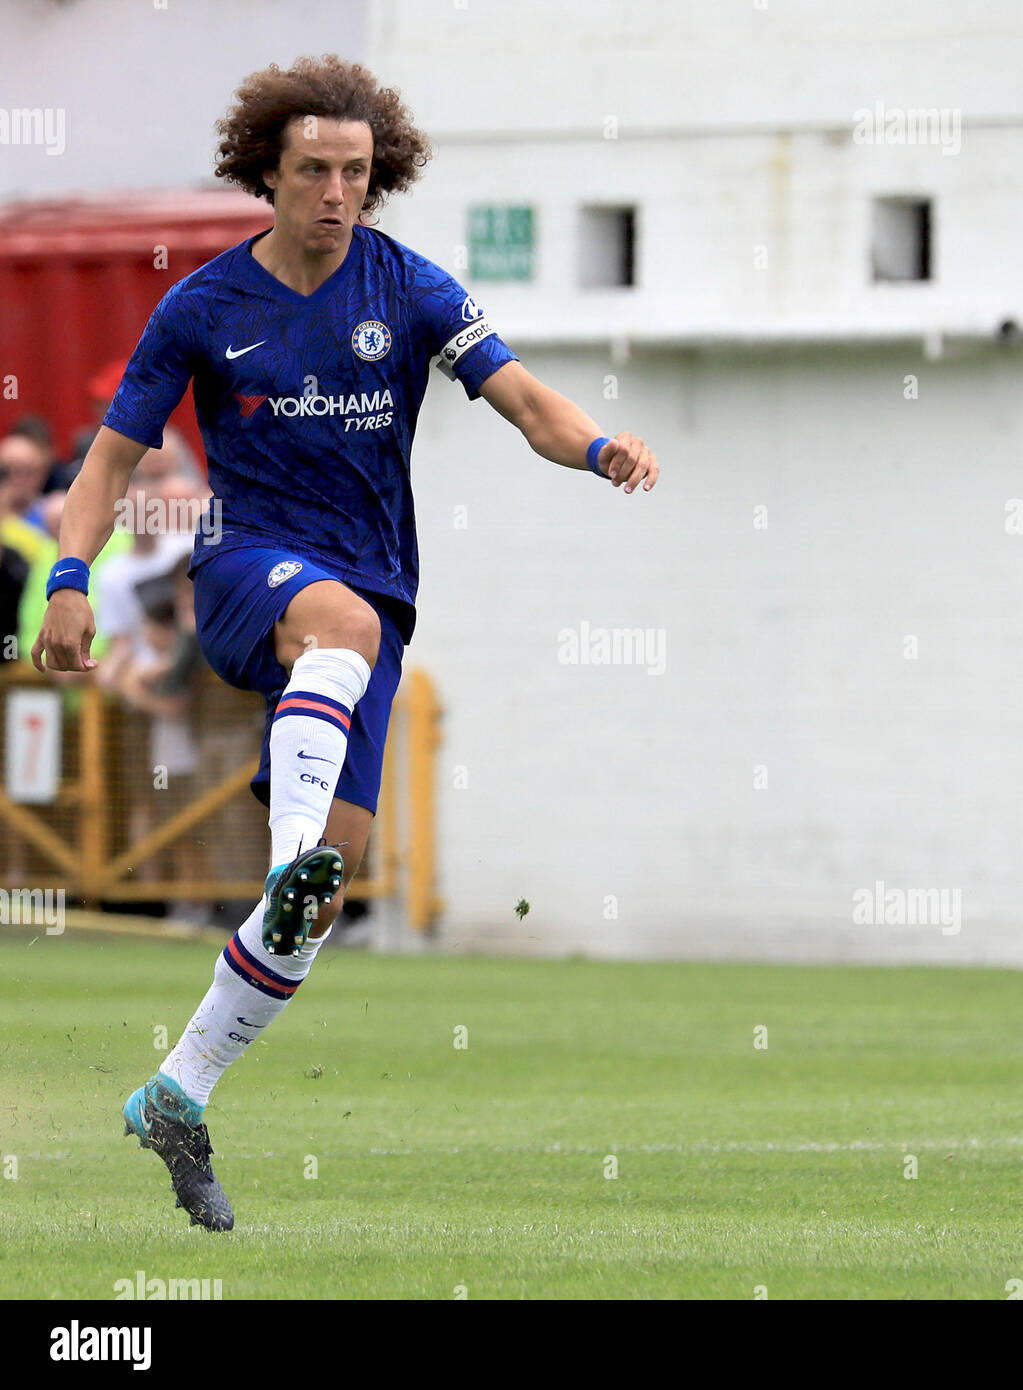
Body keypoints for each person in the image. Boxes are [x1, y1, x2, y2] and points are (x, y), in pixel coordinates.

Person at [33, 54, 659, 1233]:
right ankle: (283, 860)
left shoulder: (411, 287)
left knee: (332, 883)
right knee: (341, 633)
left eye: (357, 173)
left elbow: (527, 402)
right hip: (246, 571)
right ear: (265, 174)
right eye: (314, 170)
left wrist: (599, 446)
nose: (337, 191)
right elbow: (112, 460)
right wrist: (70, 576)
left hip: (366, 616)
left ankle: (180, 1089)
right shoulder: (203, 305)